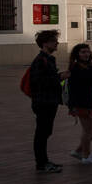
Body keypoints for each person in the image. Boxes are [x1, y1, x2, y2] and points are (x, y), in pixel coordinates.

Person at [29, 30, 63, 173]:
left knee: (46, 132)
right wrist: (59, 77)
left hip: (51, 101)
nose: (57, 43)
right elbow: (38, 82)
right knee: (41, 133)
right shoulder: (40, 60)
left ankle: (44, 161)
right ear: (45, 43)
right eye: (53, 41)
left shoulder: (50, 59)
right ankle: (41, 163)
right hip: (43, 102)